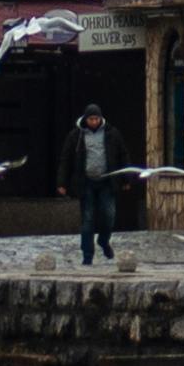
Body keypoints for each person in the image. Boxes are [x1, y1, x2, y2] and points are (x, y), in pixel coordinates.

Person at [59, 101, 125, 267]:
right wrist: (62, 182)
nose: (94, 122)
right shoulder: (76, 136)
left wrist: (125, 179)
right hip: (86, 181)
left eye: (96, 119)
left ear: (100, 118)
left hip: (107, 181)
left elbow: (122, 155)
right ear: (86, 119)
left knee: (109, 215)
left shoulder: (112, 134)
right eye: (91, 119)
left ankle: (103, 241)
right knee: (87, 219)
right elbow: (66, 159)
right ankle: (87, 254)